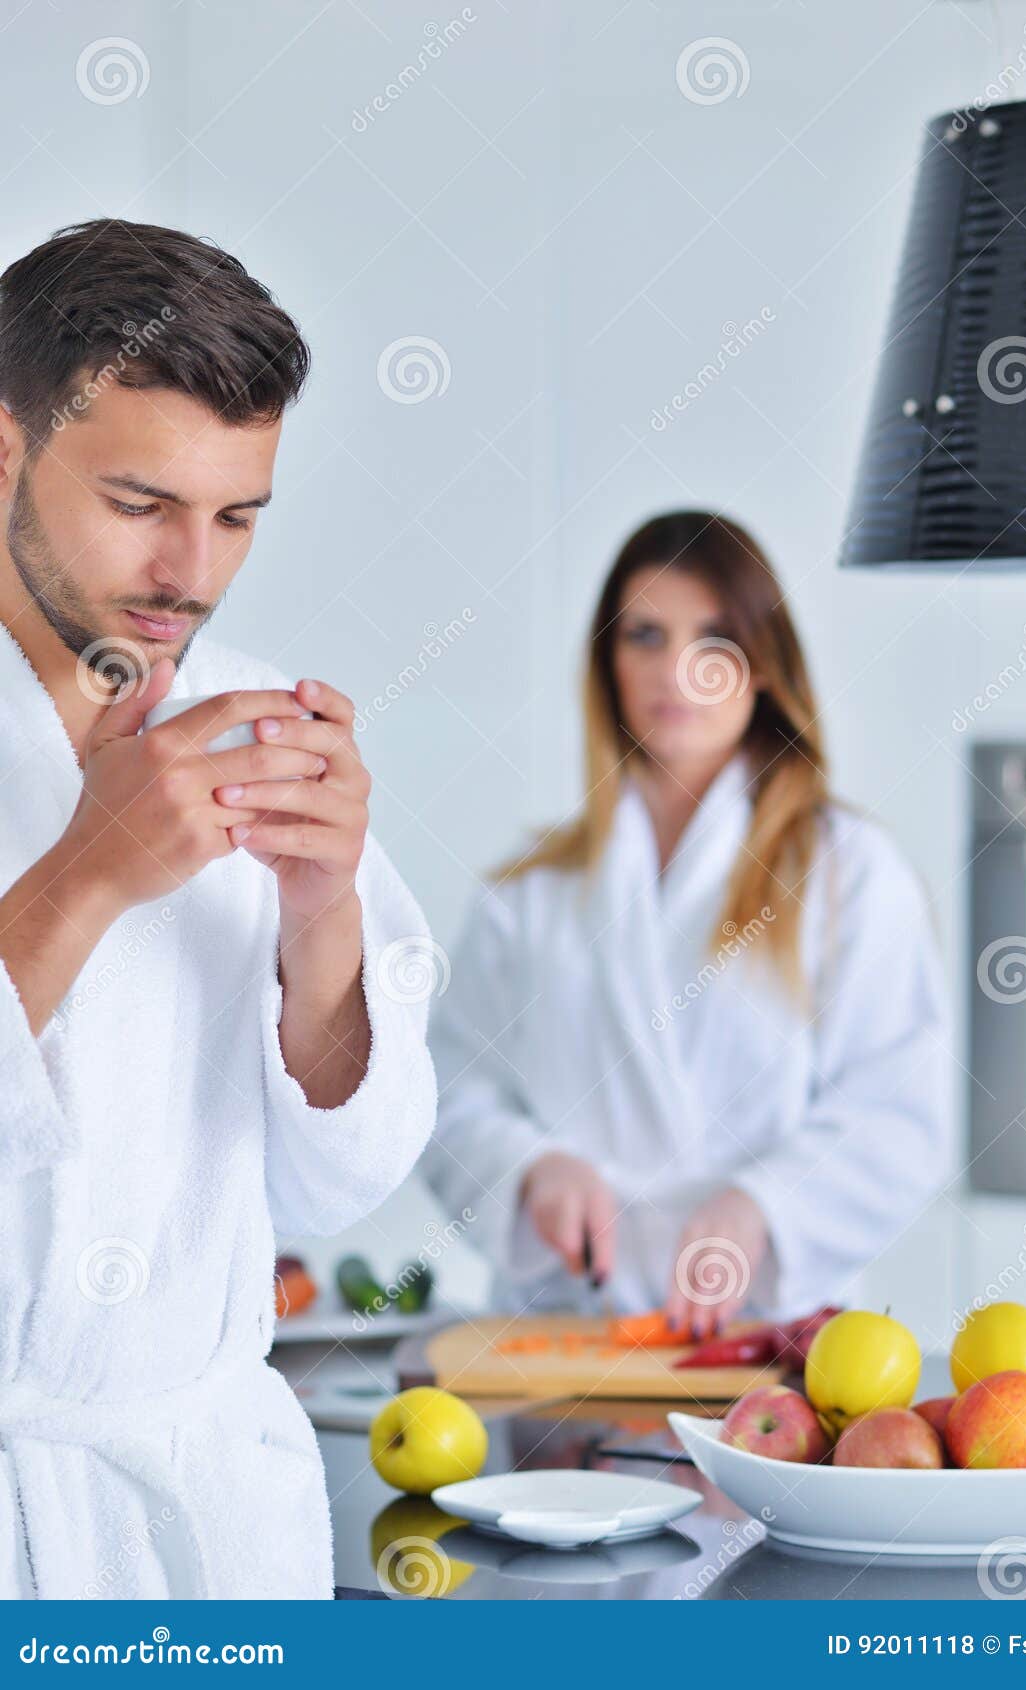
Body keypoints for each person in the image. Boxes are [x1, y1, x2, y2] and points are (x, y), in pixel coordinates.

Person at [0, 220, 436, 1599]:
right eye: (141, 503)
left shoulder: (251, 720)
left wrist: (321, 920)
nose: (194, 568)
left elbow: (335, 1184)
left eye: (239, 514)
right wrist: (89, 872)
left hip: (206, 1526)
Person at [423, 511, 949, 1334]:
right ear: (607, 665)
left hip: (766, 1345)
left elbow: (901, 1110)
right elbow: (450, 1093)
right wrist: (531, 1168)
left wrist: (761, 1207)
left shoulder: (850, 872)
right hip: (563, 1343)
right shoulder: (530, 894)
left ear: (767, 664)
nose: (678, 670)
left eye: (714, 637)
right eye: (644, 635)